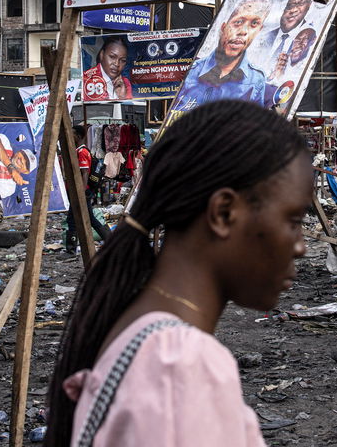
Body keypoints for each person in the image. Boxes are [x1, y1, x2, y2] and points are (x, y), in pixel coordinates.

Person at [45, 100, 311, 446]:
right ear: (224, 213)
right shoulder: (178, 367)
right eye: (293, 221)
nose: (300, 246)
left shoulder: (139, 332)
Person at [174, 0, 271, 106]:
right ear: (223, 27)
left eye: (254, 24)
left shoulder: (256, 79)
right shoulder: (193, 71)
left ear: (259, 30)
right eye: (238, 22)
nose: (243, 31)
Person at [65, 125, 112, 253]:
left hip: (81, 191)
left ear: (78, 136)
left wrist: (81, 191)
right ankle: (111, 241)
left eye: (72, 134)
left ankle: (71, 250)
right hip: (80, 191)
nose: (70, 136)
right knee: (89, 218)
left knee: (72, 220)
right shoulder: (79, 150)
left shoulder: (82, 152)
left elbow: (85, 172)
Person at [250, 0, 313, 69]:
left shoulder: (307, 40)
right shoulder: (265, 36)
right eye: (290, 6)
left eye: (301, 4)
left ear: (309, 5)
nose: (293, 10)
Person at [82, 35, 134, 101]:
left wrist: (122, 97)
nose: (117, 64)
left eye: (122, 60)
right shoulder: (86, 79)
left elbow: (129, 106)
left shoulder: (125, 83)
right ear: (101, 55)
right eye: (112, 57)